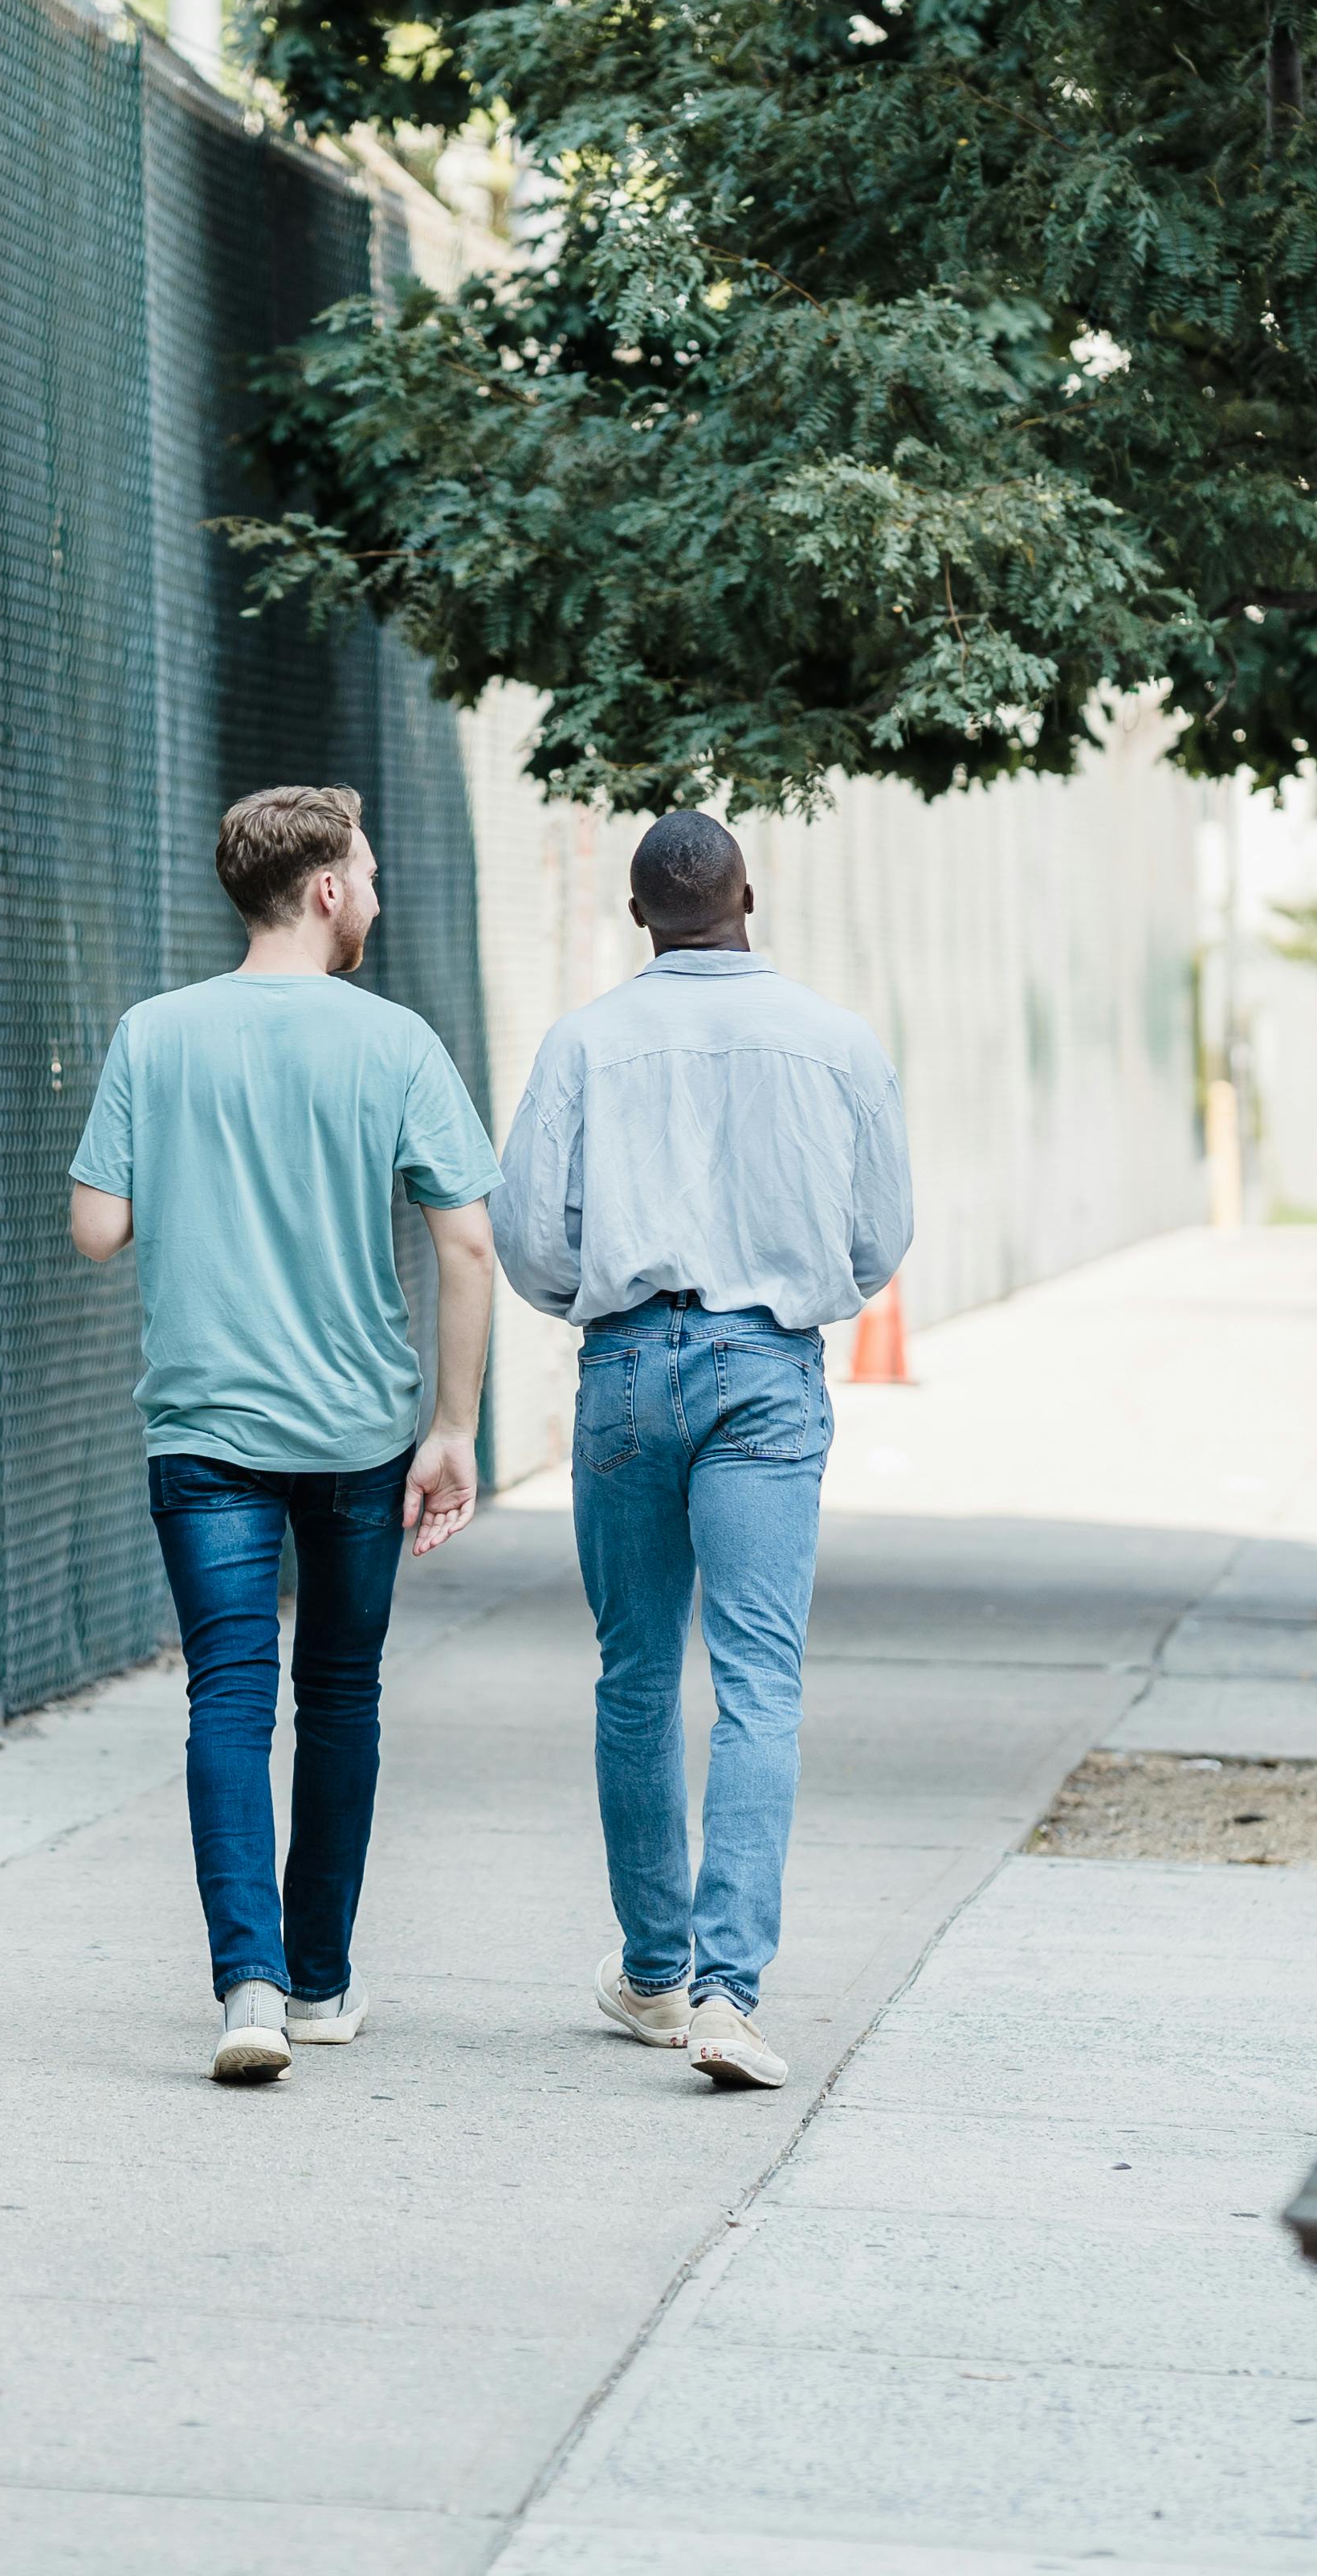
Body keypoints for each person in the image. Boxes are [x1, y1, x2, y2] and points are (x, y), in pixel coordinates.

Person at [71, 784, 499, 2084]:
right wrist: (453, 1429)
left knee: (230, 1696)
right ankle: (319, 1987)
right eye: (366, 873)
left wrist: (204, 1184)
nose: (374, 893)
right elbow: (468, 1242)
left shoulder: (155, 1036)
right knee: (343, 1695)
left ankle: (245, 1987)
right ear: (324, 891)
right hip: (360, 1432)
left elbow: (98, 1227)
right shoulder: (396, 1044)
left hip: (202, 1430)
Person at [491, 811, 911, 2091]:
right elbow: (879, 1240)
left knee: (632, 1674)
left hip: (624, 1365)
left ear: (638, 918)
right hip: (767, 1371)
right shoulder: (836, 1041)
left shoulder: (586, 1041)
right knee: (758, 1683)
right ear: (750, 898)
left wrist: (602, 1301)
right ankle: (731, 1998)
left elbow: (526, 1234)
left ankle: (655, 1975)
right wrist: (790, 1290)